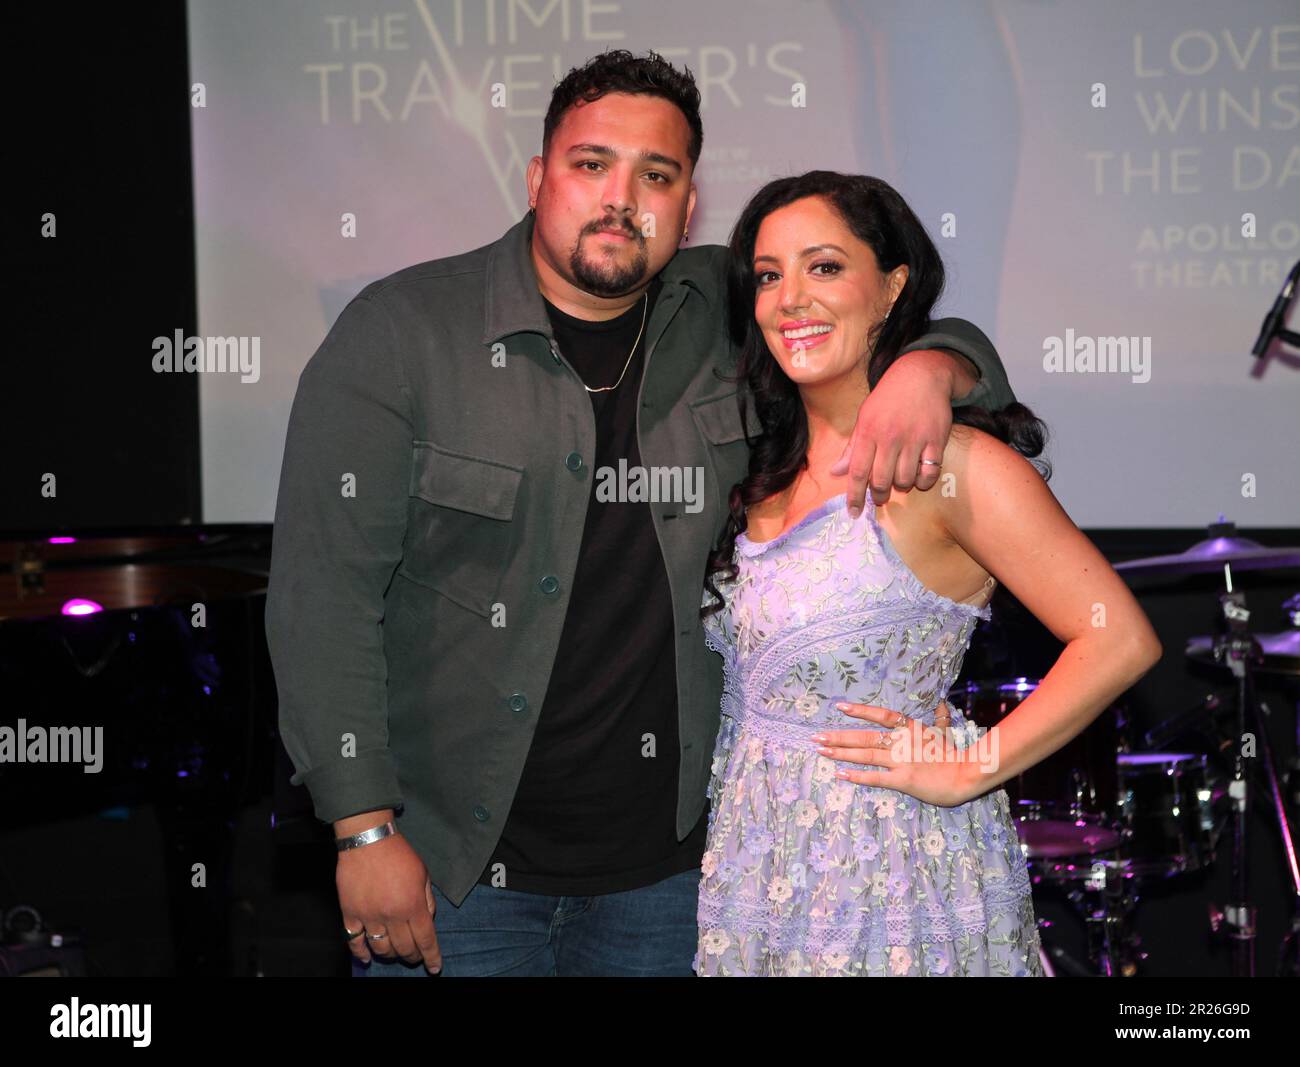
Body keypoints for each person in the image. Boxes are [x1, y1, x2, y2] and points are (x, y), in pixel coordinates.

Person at [264, 51, 1018, 979]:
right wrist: (360, 828)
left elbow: (902, 313)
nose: (622, 198)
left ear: (688, 202)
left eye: (655, 175)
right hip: (452, 879)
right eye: (591, 165)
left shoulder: (727, 313)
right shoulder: (400, 334)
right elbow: (321, 599)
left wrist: (931, 367)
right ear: (538, 178)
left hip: (674, 883)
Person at [693, 171, 1162, 976]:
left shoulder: (947, 465)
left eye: (825, 267)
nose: (791, 298)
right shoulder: (763, 468)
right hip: (756, 874)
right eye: (769, 275)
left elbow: (1117, 636)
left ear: (893, 286)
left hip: (893, 878)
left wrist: (972, 765)